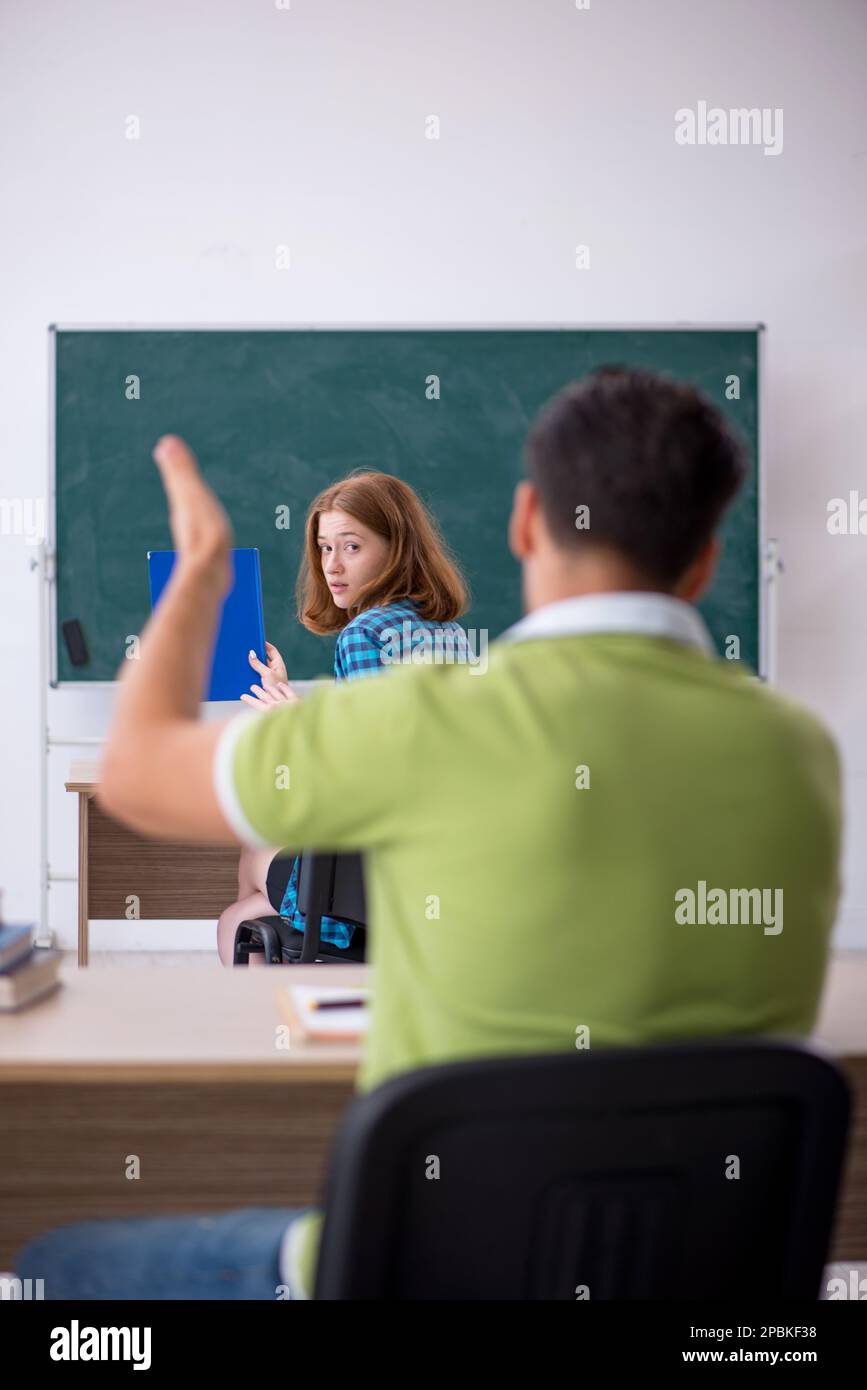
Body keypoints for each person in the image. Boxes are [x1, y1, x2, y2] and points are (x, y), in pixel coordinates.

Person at [16, 367, 842, 1300]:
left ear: (526, 521)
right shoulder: (799, 753)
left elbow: (133, 773)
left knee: (55, 1266)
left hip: (423, 1268)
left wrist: (202, 572)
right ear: (704, 560)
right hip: (702, 1284)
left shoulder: (426, 719)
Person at [216, 470, 472, 964]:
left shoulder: (364, 634)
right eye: (324, 547)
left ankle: (279, 1017)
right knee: (257, 881)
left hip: (371, 880)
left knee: (242, 904)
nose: (332, 566)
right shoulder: (447, 631)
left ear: (396, 547)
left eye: (351, 547)